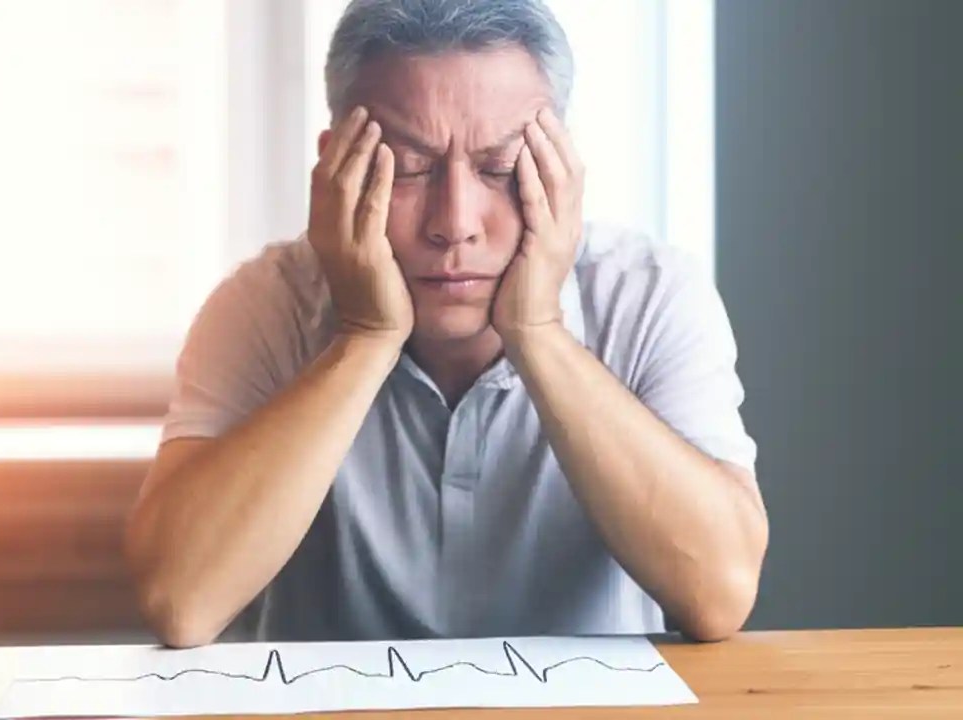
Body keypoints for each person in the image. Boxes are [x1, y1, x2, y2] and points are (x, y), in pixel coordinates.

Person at [125, 0, 768, 648]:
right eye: (408, 167)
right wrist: (363, 338)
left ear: (561, 167)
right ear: (334, 169)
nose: (454, 221)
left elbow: (719, 592)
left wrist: (539, 332)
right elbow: (182, 601)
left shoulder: (651, 296)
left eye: (499, 168)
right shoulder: (261, 305)